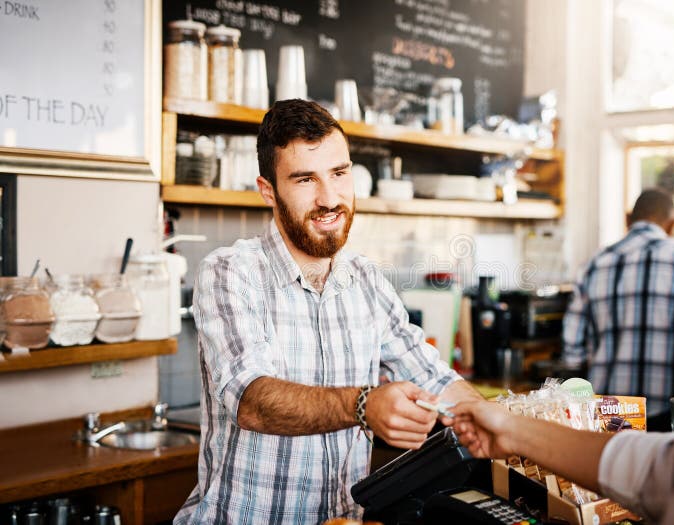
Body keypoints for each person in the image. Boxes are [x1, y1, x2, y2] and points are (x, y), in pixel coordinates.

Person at [450, 73, 674, 524]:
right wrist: (516, 428)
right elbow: (669, 467)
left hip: (606, 405)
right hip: (655, 409)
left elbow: (574, 350)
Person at [174, 99, 481, 524]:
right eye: (304, 179)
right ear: (269, 190)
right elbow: (252, 401)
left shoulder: (367, 279)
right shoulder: (230, 272)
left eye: (339, 173)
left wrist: (512, 425)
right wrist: (363, 405)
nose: (329, 198)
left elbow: (434, 379)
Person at [561, 187, 674, 430]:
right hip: (664, 405)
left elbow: (572, 349)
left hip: (607, 409)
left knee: (608, 468)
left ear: (628, 219)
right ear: (671, 225)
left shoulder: (594, 263)